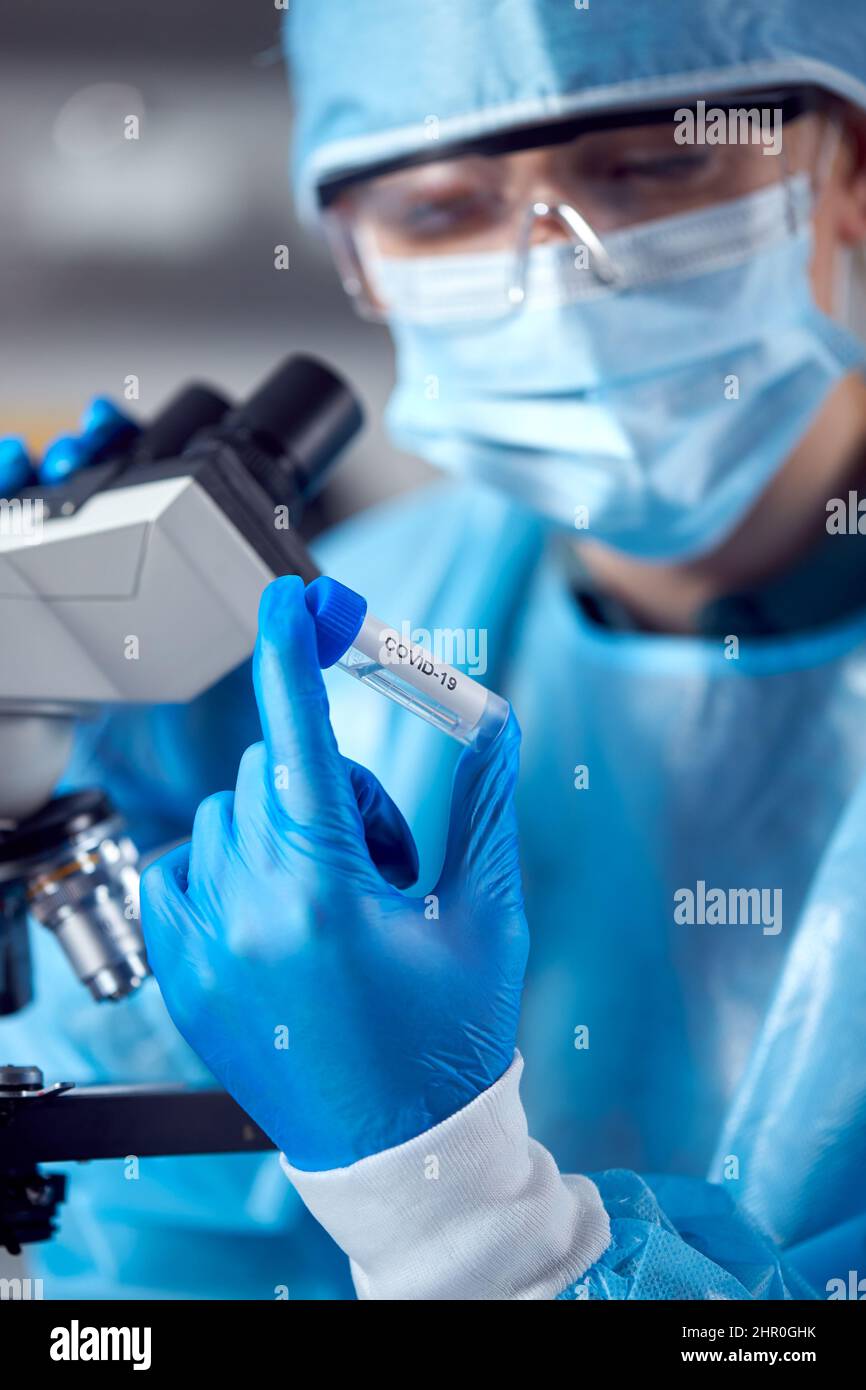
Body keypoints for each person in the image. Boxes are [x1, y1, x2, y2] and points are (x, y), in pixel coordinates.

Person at [4, 0, 866, 1298]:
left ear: (843, 165)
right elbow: (160, 1277)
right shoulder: (345, 623)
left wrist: (462, 1216)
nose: (560, 266)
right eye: (438, 205)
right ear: (353, 255)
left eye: (653, 165)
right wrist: (156, 961)